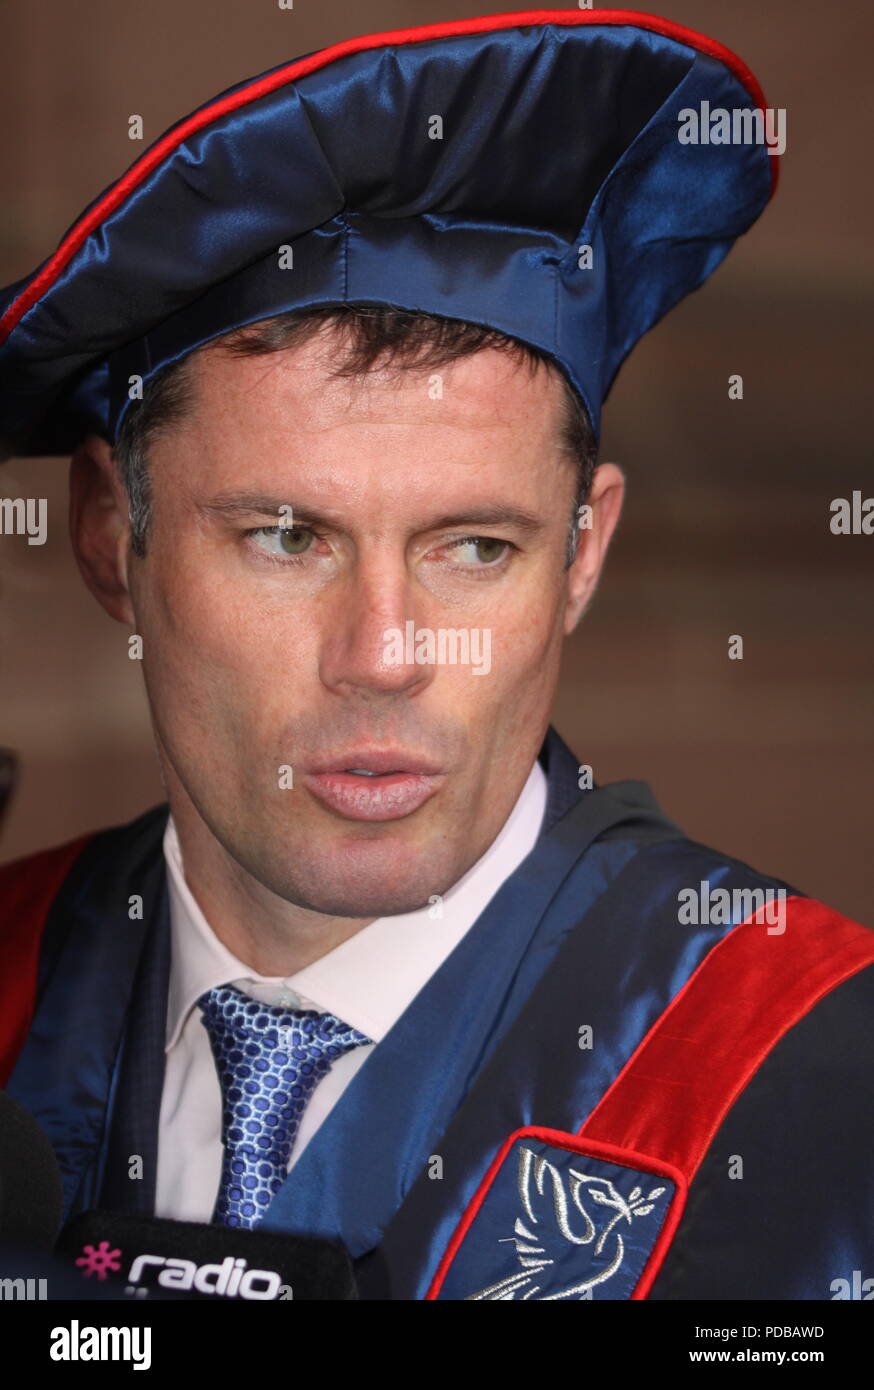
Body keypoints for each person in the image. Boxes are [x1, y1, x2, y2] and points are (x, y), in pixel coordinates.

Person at [0, 10, 871, 1301]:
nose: (384, 653)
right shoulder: (13, 977)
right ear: (106, 533)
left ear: (581, 555)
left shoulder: (811, 1070)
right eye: (286, 536)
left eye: (473, 545)